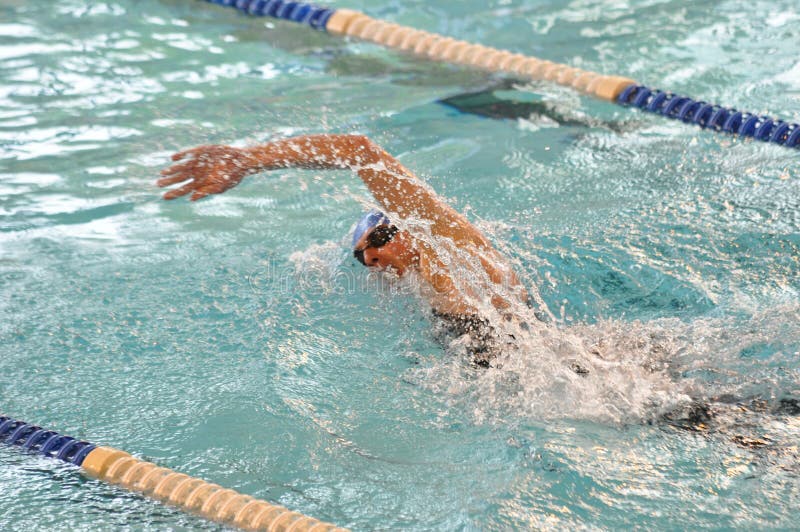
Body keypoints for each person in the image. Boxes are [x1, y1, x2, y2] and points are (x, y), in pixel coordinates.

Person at [158, 134, 536, 366]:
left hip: (537, 364)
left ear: (406, 227)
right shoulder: (421, 287)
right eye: (360, 257)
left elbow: (359, 151)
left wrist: (248, 160)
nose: (370, 258)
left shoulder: (444, 240)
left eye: (376, 239)